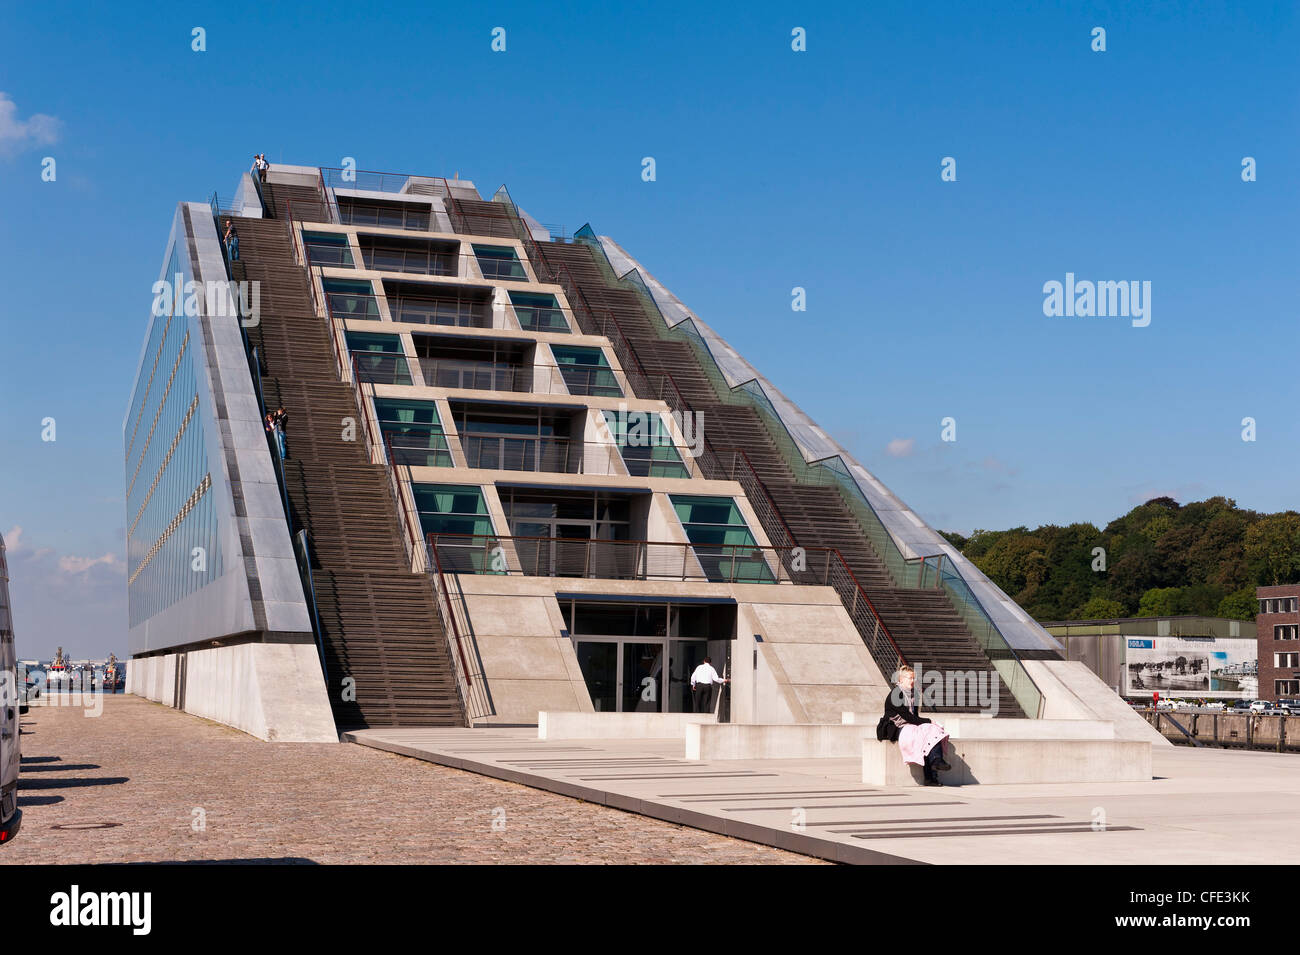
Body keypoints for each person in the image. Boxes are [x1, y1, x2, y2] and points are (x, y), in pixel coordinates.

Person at [879, 665, 951, 786]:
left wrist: (930, 724)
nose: (912, 681)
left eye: (913, 678)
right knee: (924, 732)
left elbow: (915, 717)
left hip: (910, 724)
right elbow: (908, 717)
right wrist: (929, 720)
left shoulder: (915, 694)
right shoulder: (895, 694)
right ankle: (932, 771)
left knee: (931, 731)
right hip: (895, 726)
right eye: (909, 678)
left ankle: (936, 763)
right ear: (901, 679)